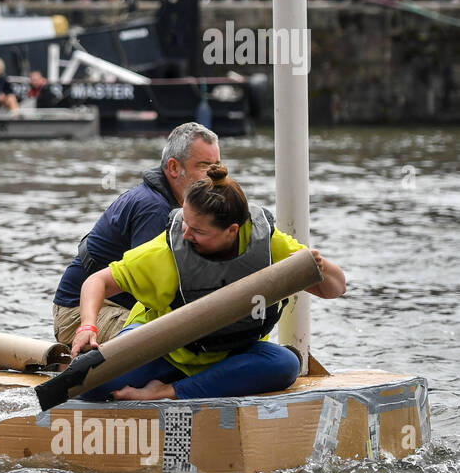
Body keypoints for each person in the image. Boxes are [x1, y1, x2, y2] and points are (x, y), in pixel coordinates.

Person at [71, 164, 346, 401]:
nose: (186, 233)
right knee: (88, 386)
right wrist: (87, 326)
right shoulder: (166, 252)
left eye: (199, 230)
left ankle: (167, 392)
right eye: (185, 223)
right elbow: (97, 282)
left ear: (232, 231)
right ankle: (185, 385)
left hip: (233, 356)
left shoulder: (270, 245)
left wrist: (321, 266)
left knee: (285, 365)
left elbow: (336, 288)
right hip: (167, 352)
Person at [53, 122, 220, 345]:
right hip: (77, 312)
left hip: (112, 303)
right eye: (204, 166)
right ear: (173, 168)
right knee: (172, 339)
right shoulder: (155, 209)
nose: (214, 175)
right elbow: (152, 289)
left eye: (217, 165)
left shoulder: (175, 204)